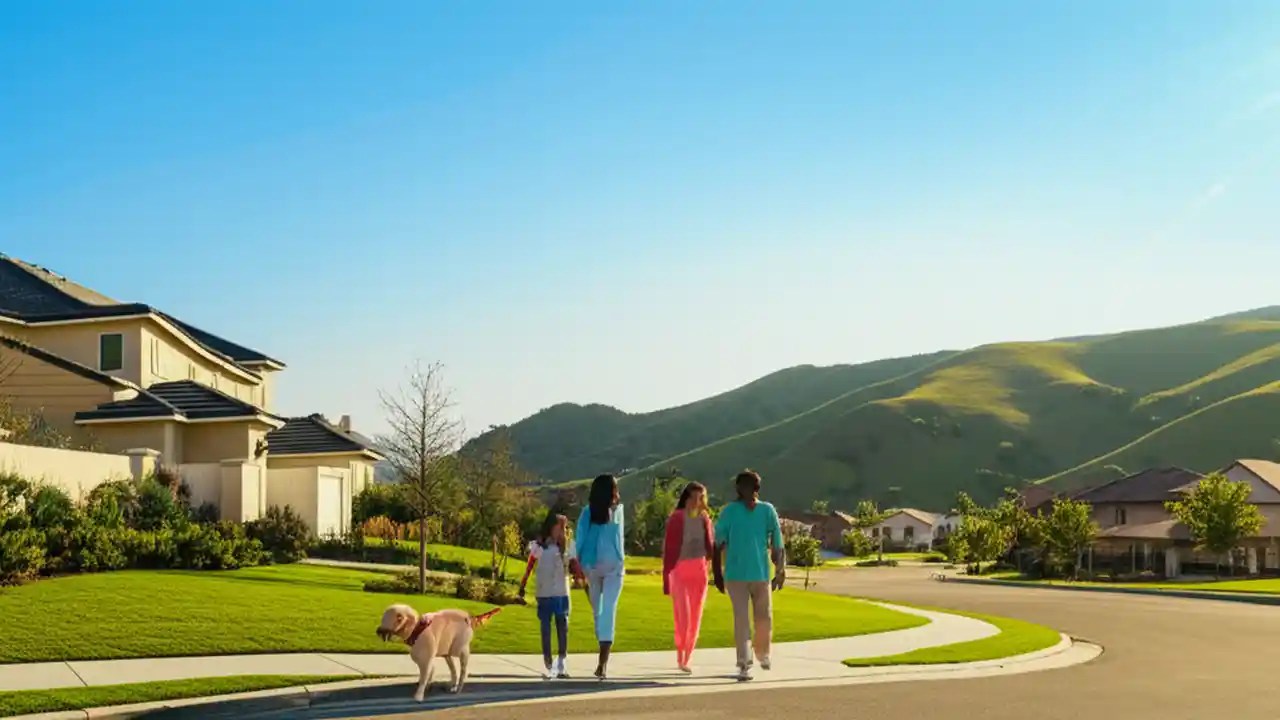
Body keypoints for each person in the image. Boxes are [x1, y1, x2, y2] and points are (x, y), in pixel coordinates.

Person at [713, 469, 785, 682]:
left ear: (757, 489)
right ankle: (744, 663)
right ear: (738, 489)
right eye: (744, 487)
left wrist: (780, 570)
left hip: (761, 573)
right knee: (742, 620)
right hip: (736, 575)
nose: (748, 492)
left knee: (765, 617)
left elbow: (778, 543)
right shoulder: (729, 512)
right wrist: (717, 574)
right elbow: (717, 545)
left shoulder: (767, 510)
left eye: (752, 488)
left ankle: (762, 653)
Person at [574, 473, 625, 680]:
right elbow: (580, 538)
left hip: (614, 569)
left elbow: (617, 535)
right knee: (598, 614)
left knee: (608, 611)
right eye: (614, 488)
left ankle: (603, 662)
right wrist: (577, 564)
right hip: (592, 568)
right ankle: (602, 651)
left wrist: (613, 510)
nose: (617, 493)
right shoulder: (587, 513)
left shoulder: (618, 511)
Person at [517, 512, 578, 679]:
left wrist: (582, 579)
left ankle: (562, 662)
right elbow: (530, 566)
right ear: (551, 528)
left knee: (562, 626)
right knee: (545, 627)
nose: (563, 531)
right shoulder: (539, 547)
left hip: (562, 592)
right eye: (560, 527)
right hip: (544, 593)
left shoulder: (569, 546)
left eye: (565, 528)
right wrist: (522, 585)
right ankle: (548, 661)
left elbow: (575, 566)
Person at [662, 481, 714, 673]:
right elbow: (668, 551)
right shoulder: (676, 518)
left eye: (701, 498)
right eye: (693, 497)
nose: (697, 501)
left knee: (695, 616)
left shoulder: (704, 518)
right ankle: (680, 655)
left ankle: (687, 657)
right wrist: (666, 579)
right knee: (682, 616)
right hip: (680, 570)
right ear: (686, 498)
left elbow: (711, 547)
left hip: (699, 571)